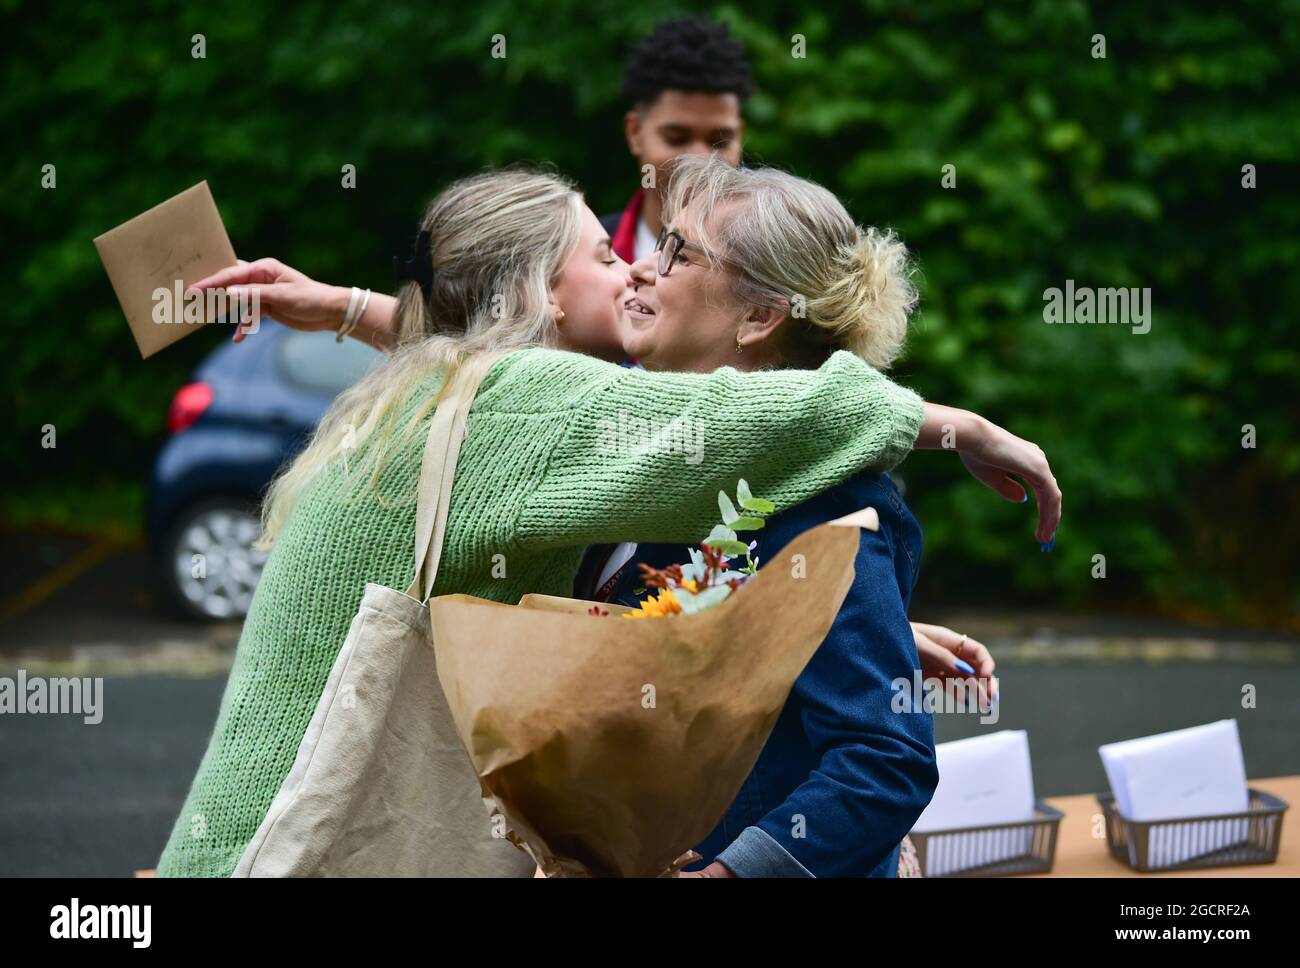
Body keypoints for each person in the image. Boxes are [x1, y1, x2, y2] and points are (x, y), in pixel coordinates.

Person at [172, 169, 1059, 879]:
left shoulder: (786, 493)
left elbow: (875, 753)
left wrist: (832, 619)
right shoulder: (579, 436)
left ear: (759, 316)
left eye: (673, 253)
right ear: (541, 295)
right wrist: (967, 430)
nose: (636, 266)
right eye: (615, 252)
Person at [600, 17, 749, 262]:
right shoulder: (577, 259)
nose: (702, 160)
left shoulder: (773, 269)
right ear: (635, 133)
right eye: (677, 138)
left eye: (720, 142)